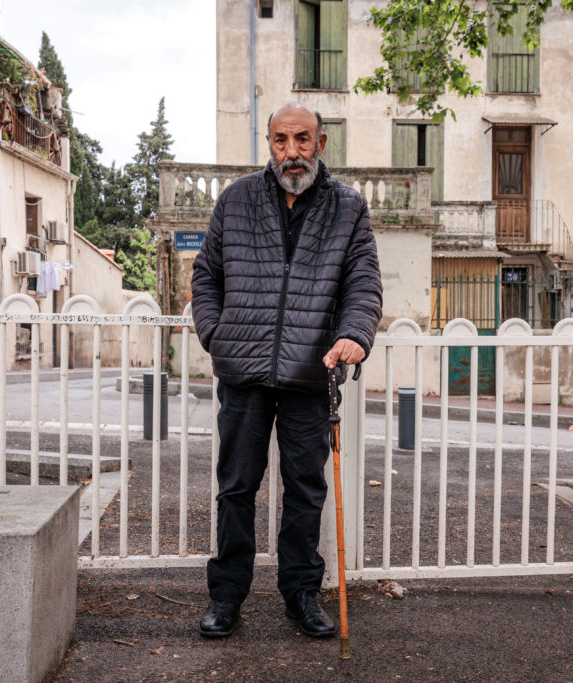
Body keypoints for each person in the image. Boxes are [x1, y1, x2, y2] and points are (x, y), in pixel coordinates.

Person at [190, 103, 382, 638]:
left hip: (310, 373)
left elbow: (363, 285)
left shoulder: (348, 207)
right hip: (243, 372)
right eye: (280, 140)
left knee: (305, 491)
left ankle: (301, 594)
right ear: (268, 143)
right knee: (235, 488)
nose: (291, 152)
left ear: (321, 144)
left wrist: (354, 334)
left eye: (302, 140)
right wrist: (216, 333)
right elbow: (205, 276)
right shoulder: (236, 200)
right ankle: (226, 597)